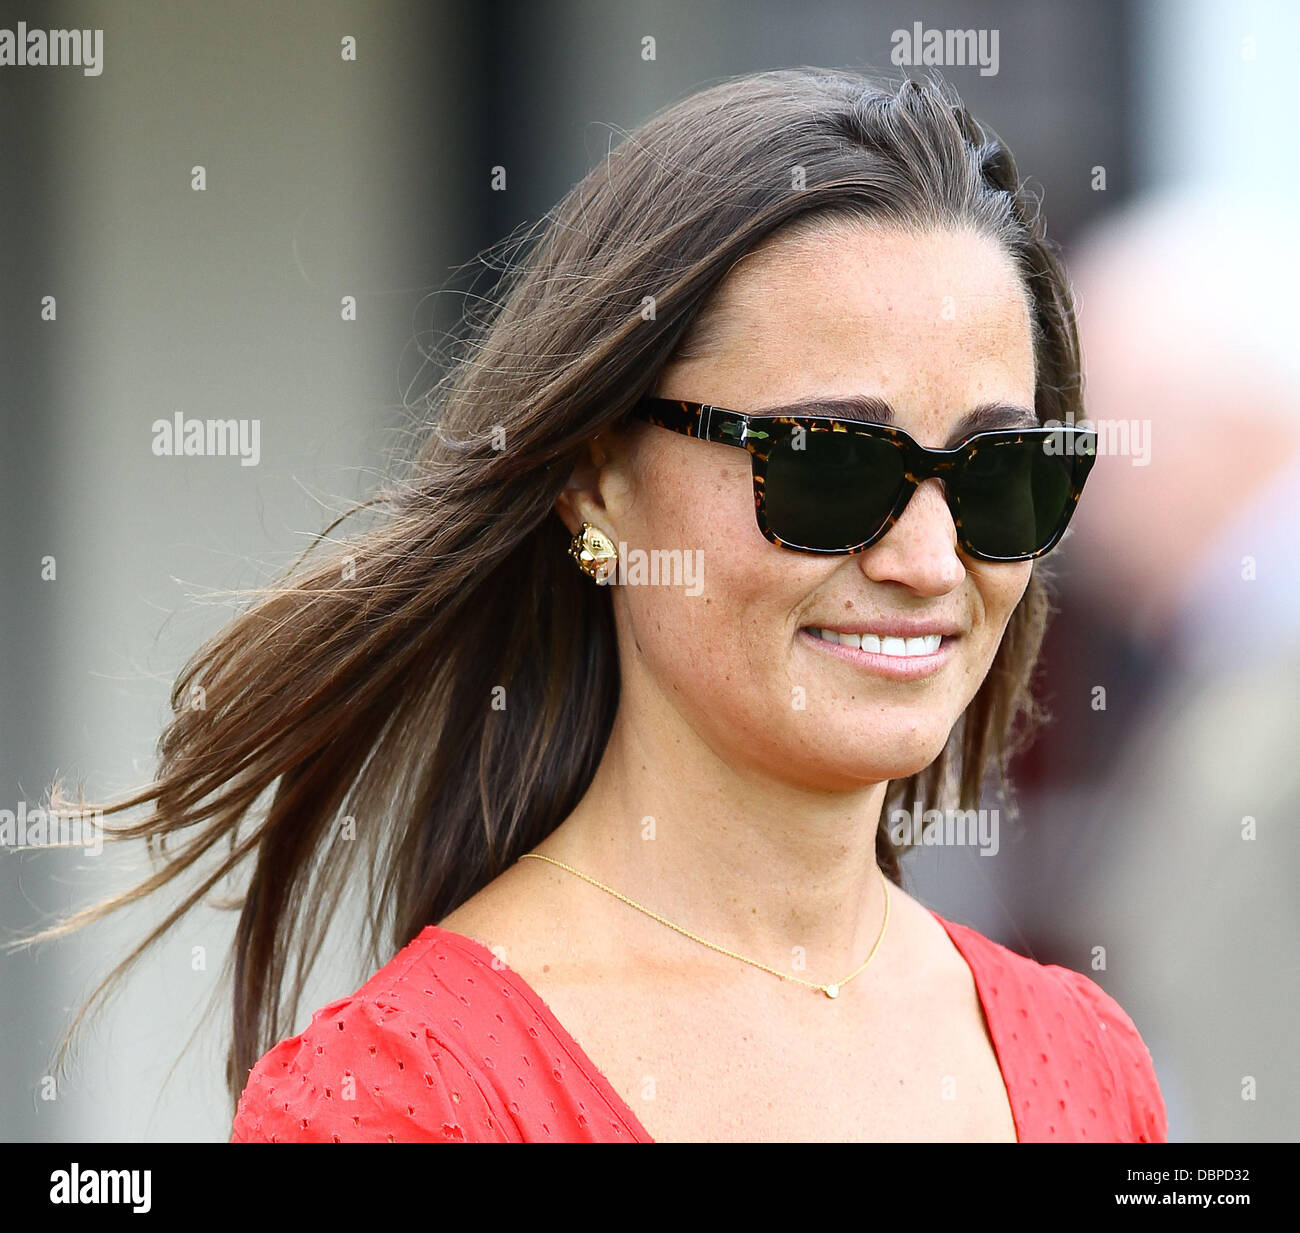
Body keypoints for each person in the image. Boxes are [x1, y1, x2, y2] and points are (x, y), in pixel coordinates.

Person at [38, 67, 1167, 1143]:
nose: (928, 561)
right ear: (595, 482)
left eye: (996, 474)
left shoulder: (1083, 1060)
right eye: (830, 464)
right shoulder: (400, 1099)